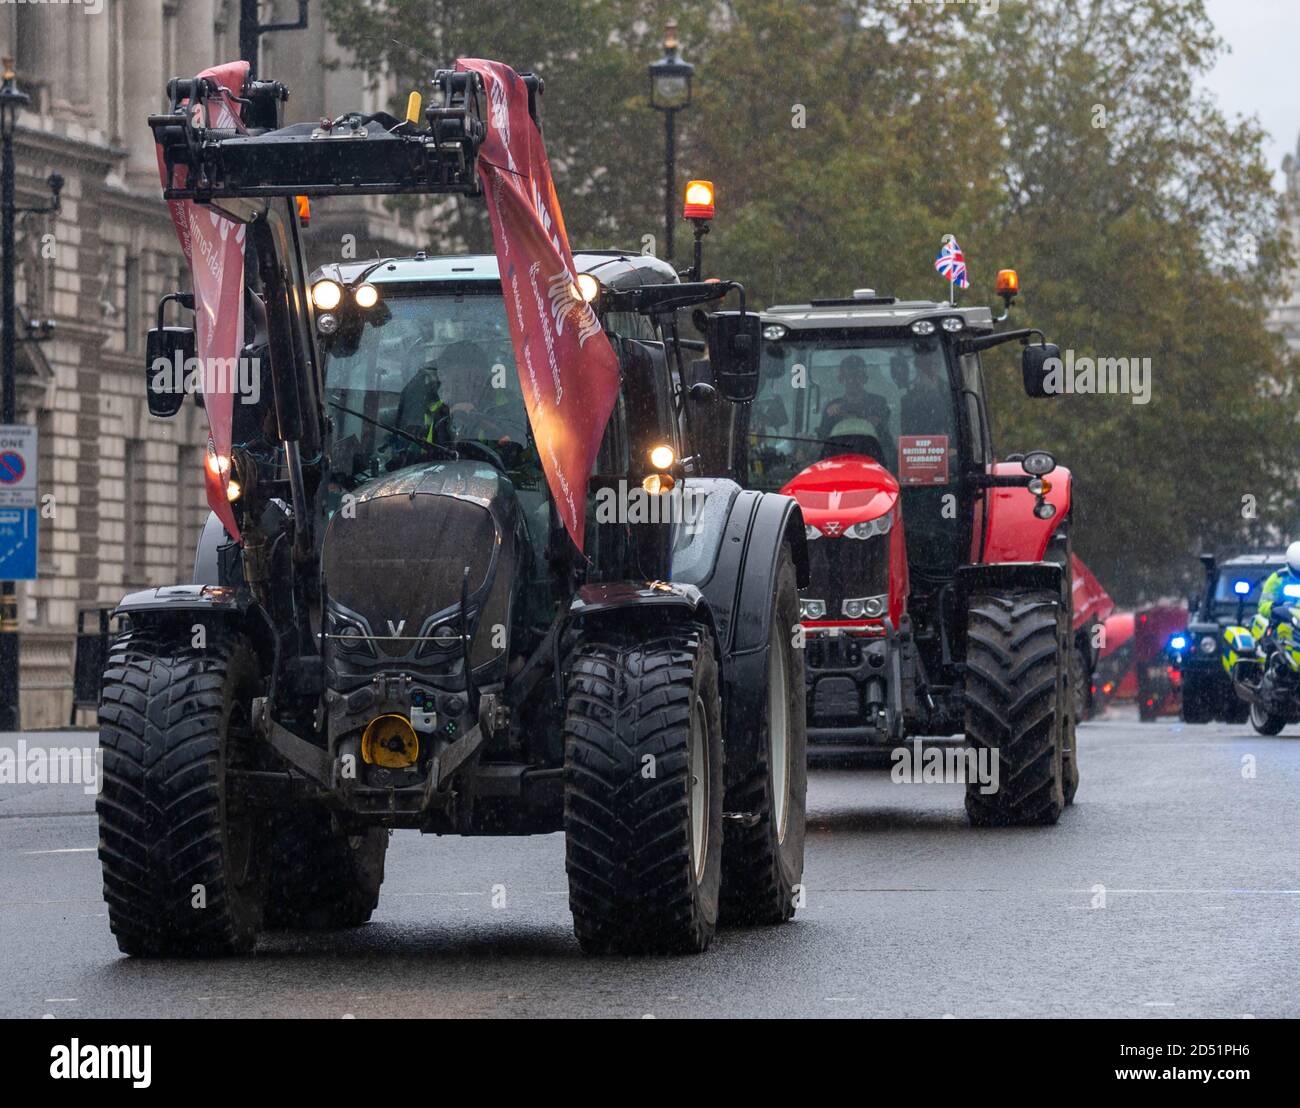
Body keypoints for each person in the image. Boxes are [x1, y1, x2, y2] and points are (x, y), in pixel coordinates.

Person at [1255, 542, 1300, 630]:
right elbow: (1263, 606)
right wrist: (1276, 608)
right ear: (1288, 564)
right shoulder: (1277, 578)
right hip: (1281, 625)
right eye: (1297, 572)